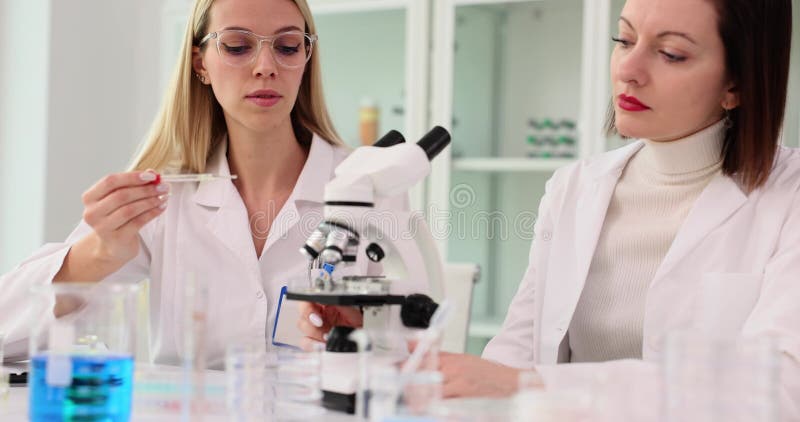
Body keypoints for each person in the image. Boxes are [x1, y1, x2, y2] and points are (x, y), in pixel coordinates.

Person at [300, 0, 800, 415]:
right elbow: (511, 359)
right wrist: (381, 338)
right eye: (624, 41)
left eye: (670, 54)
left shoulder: (789, 198)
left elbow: (777, 390)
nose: (628, 69)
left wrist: (527, 386)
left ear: (737, 83)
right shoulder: (574, 189)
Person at [0, 0, 418, 367]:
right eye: (237, 46)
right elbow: (6, 330)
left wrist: (366, 338)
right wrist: (98, 253)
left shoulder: (368, 187)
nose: (266, 66)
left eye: (288, 46)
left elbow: (419, 356)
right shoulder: (164, 196)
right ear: (201, 63)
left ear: (306, 57)